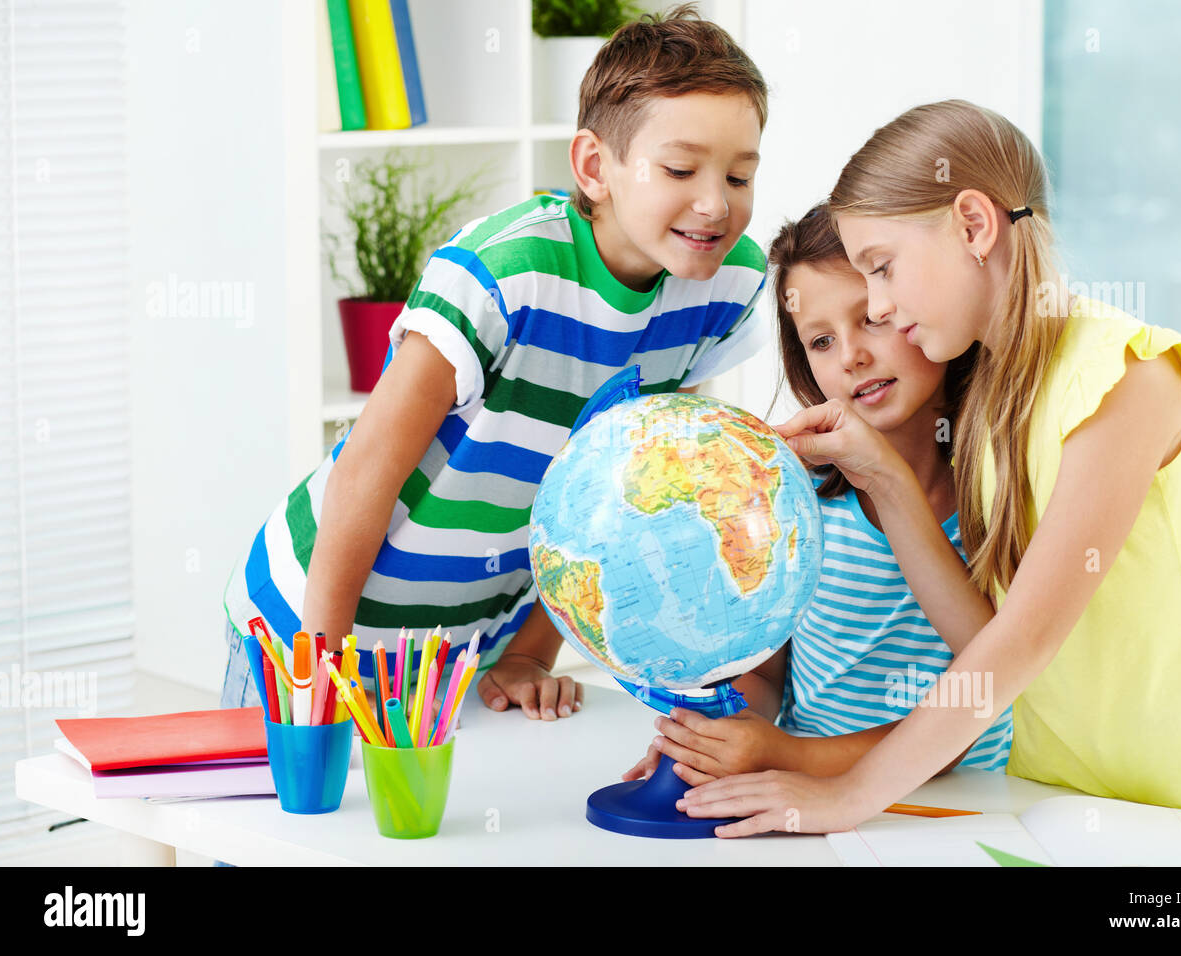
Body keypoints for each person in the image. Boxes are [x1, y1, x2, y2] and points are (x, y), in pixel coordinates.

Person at [678, 99, 1181, 835]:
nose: (877, 302)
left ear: (974, 226)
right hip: (1058, 795)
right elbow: (983, 633)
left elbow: (1023, 638)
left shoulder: (1127, 377)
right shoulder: (999, 404)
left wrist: (846, 795)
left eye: (882, 269)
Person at [219, 5, 771, 723]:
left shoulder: (724, 286)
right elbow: (367, 472)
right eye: (680, 168)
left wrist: (529, 654)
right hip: (305, 626)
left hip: (449, 655)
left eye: (740, 176)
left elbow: (625, 499)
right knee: (285, 828)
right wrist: (318, 668)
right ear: (594, 167)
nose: (714, 203)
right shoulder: (502, 275)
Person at [624, 203, 1012, 785]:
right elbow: (766, 674)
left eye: (873, 320)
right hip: (807, 802)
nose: (851, 356)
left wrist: (788, 756)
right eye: (821, 340)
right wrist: (720, 740)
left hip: (961, 806)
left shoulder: (996, 491)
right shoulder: (796, 498)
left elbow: (989, 688)